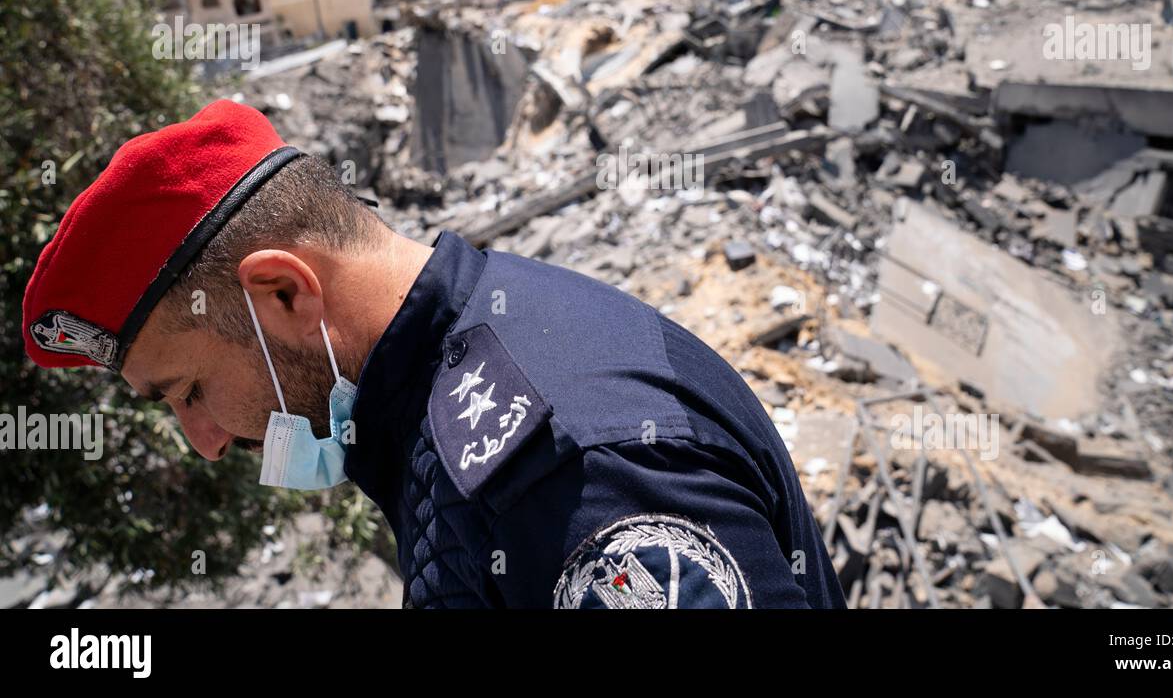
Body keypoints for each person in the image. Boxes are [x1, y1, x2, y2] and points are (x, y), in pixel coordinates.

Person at [23, 99, 846, 609]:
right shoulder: (448, 395)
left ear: (283, 293)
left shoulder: (575, 472)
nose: (201, 440)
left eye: (189, 390)